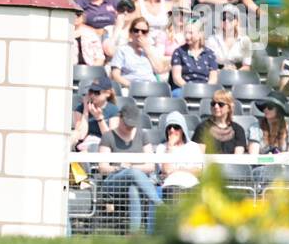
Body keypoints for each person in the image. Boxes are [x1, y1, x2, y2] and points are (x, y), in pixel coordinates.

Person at [97, 98, 160, 233]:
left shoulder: (142, 135)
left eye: (131, 125)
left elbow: (150, 166)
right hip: (113, 183)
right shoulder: (108, 136)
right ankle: (159, 204)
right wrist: (120, 168)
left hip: (137, 182)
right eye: (126, 124)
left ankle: (133, 235)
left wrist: (131, 167)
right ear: (120, 118)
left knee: (133, 189)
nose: (129, 128)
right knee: (132, 173)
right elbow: (103, 167)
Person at [109, 15, 167, 93]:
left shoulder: (151, 49)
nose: (140, 34)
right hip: (130, 87)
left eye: (144, 31)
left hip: (151, 87)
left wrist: (146, 49)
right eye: (136, 30)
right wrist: (132, 86)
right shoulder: (122, 50)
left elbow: (159, 70)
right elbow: (115, 75)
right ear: (131, 32)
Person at [157, 111, 203, 198]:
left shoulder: (194, 147)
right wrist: (170, 147)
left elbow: (198, 171)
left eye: (176, 127)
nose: (172, 130)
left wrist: (179, 170)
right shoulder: (161, 148)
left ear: (183, 129)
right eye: (169, 127)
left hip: (192, 185)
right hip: (171, 186)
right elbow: (166, 171)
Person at [191, 88, 247, 155]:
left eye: (221, 104)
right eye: (213, 103)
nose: (216, 106)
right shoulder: (203, 128)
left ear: (229, 107)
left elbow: (238, 158)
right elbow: (200, 156)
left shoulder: (238, 129)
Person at [169, 20, 219, 91]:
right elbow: (177, 78)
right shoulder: (179, 52)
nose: (187, 36)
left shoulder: (209, 54)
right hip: (184, 88)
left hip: (205, 89)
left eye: (190, 33)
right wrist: (191, 89)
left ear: (200, 34)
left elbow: (213, 78)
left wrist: (204, 89)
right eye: (185, 33)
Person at [71, 76, 118, 151]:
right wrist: (86, 110)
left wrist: (99, 118)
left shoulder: (113, 110)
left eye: (96, 92)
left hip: (104, 147)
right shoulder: (80, 108)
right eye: (90, 91)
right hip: (84, 146)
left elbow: (110, 139)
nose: (92, 95)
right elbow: (81, 135)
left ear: (108, 93)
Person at [209, 4, 252, 71]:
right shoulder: (212, 40)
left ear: (236, 21)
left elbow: (246, 66)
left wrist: (234, 72)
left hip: (238, 76)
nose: (226, 21)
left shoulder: (245, 40)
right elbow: (209, 64)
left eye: (230, 17)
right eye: (223, 18)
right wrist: (222, 71)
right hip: (217, 75)